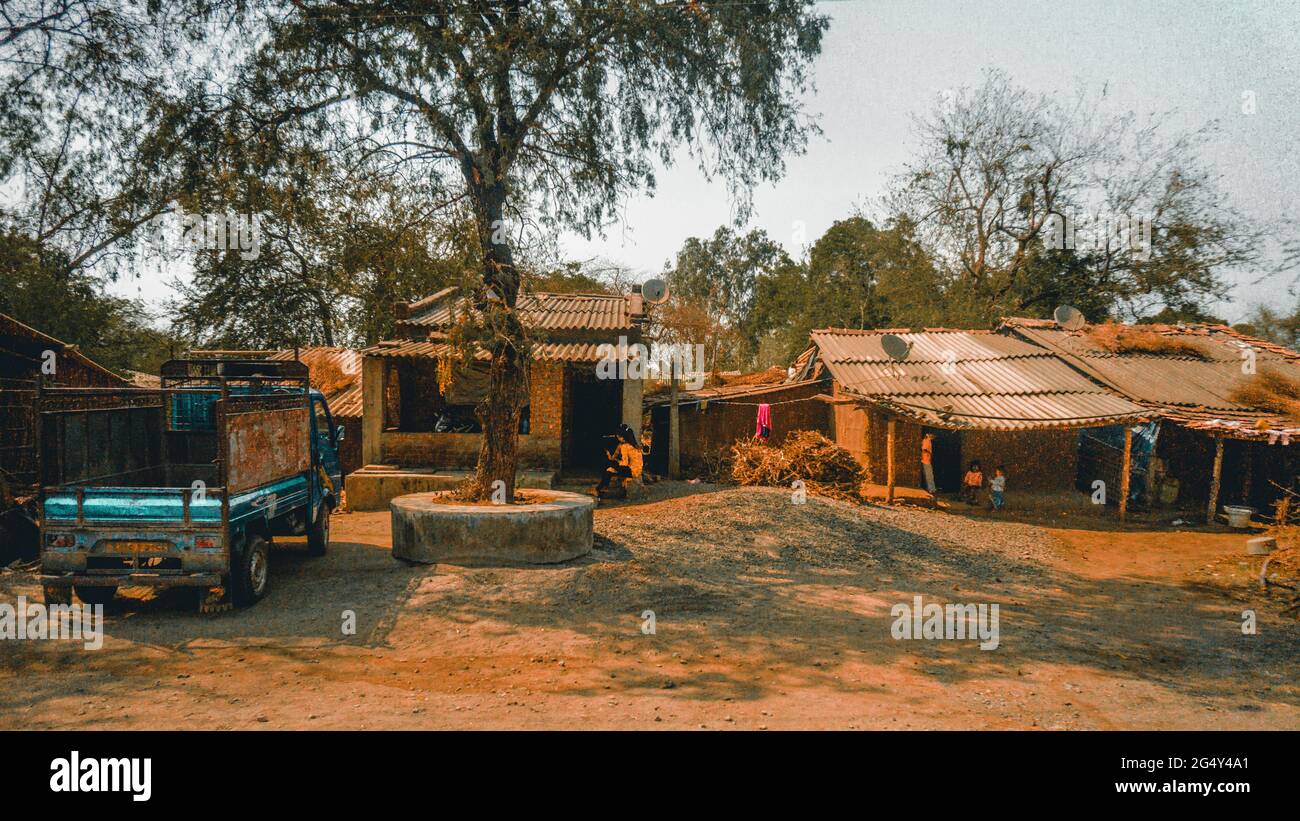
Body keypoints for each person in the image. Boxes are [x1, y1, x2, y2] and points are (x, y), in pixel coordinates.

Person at [596, 425, 643, 498]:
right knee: (611, 467)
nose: (617, 438)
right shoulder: (635, 445)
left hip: (631, 471)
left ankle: (599, 489)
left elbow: (624, 463)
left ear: (623, 437)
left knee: (609, 469)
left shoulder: (625, 446)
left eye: (618, 436)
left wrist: (616, 464)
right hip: (637, 470)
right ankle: (601, 488)